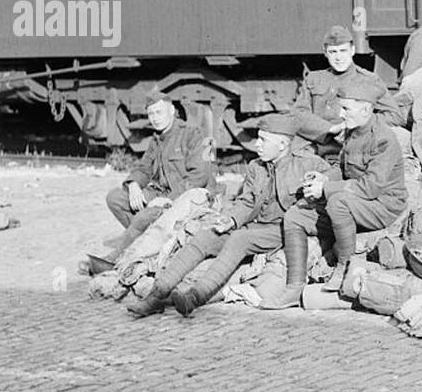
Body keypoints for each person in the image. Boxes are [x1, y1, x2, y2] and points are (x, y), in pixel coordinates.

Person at [127, 114, 325, 318]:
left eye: (263, 140)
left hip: (282, 230)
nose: (257, 144)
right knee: (205, 236)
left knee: (240, 239)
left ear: (283, 144)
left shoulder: (308, 164)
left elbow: (333, 175)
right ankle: (155, 296)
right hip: (255, 227)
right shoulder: (256, 167)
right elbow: (246, 202)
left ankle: (195, 297)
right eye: (258, 138)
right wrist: (230, 219)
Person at [282, 76, 409, 295]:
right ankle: (294, 285)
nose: (340, 114)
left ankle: (345, 266)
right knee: (295, 214)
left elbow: (370, 187)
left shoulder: (382, 138)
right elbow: (343, 168)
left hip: (383, 206)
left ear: (366, 110)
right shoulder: (354, 130)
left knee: (337, 202)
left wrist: (327, 189)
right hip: (356, 202)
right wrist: (323, 178)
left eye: (346, 109)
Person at [94, 93, 214, 270]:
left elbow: (199, 177)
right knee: (115, 199)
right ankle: (148, 240)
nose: (155, 118)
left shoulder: (193, 133)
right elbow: (143, 168)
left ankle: (117, 257)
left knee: (144, 216)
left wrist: (169, 200)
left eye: (159, 112)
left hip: (189, 197)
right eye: (151, 114)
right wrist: (134, 184)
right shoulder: (157, 139)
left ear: (172, 110)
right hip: (162, 194)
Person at [290, 25, 387, 158]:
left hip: (352, 145)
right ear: (325, 53)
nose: (338, 57)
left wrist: (355, 125)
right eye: (333, 52)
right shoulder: (314, 79)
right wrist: (330, 129)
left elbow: (394, 116)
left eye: (343, 51)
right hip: (316, 143)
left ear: (352, 50)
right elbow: (298, 114)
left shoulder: (369, 80)